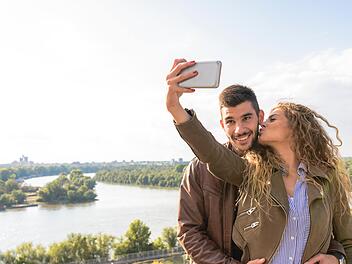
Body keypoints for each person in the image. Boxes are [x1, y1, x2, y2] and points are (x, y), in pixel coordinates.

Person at [166, 59, 350, 264]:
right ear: (222, 124)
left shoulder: (325, 177)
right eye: (230, 121)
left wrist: (338, 259)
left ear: (295, 128)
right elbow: (212, 154)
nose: (240, 129)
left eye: (248, 118)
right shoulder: (248, 171)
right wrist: (176, 108)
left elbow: (341, 237)